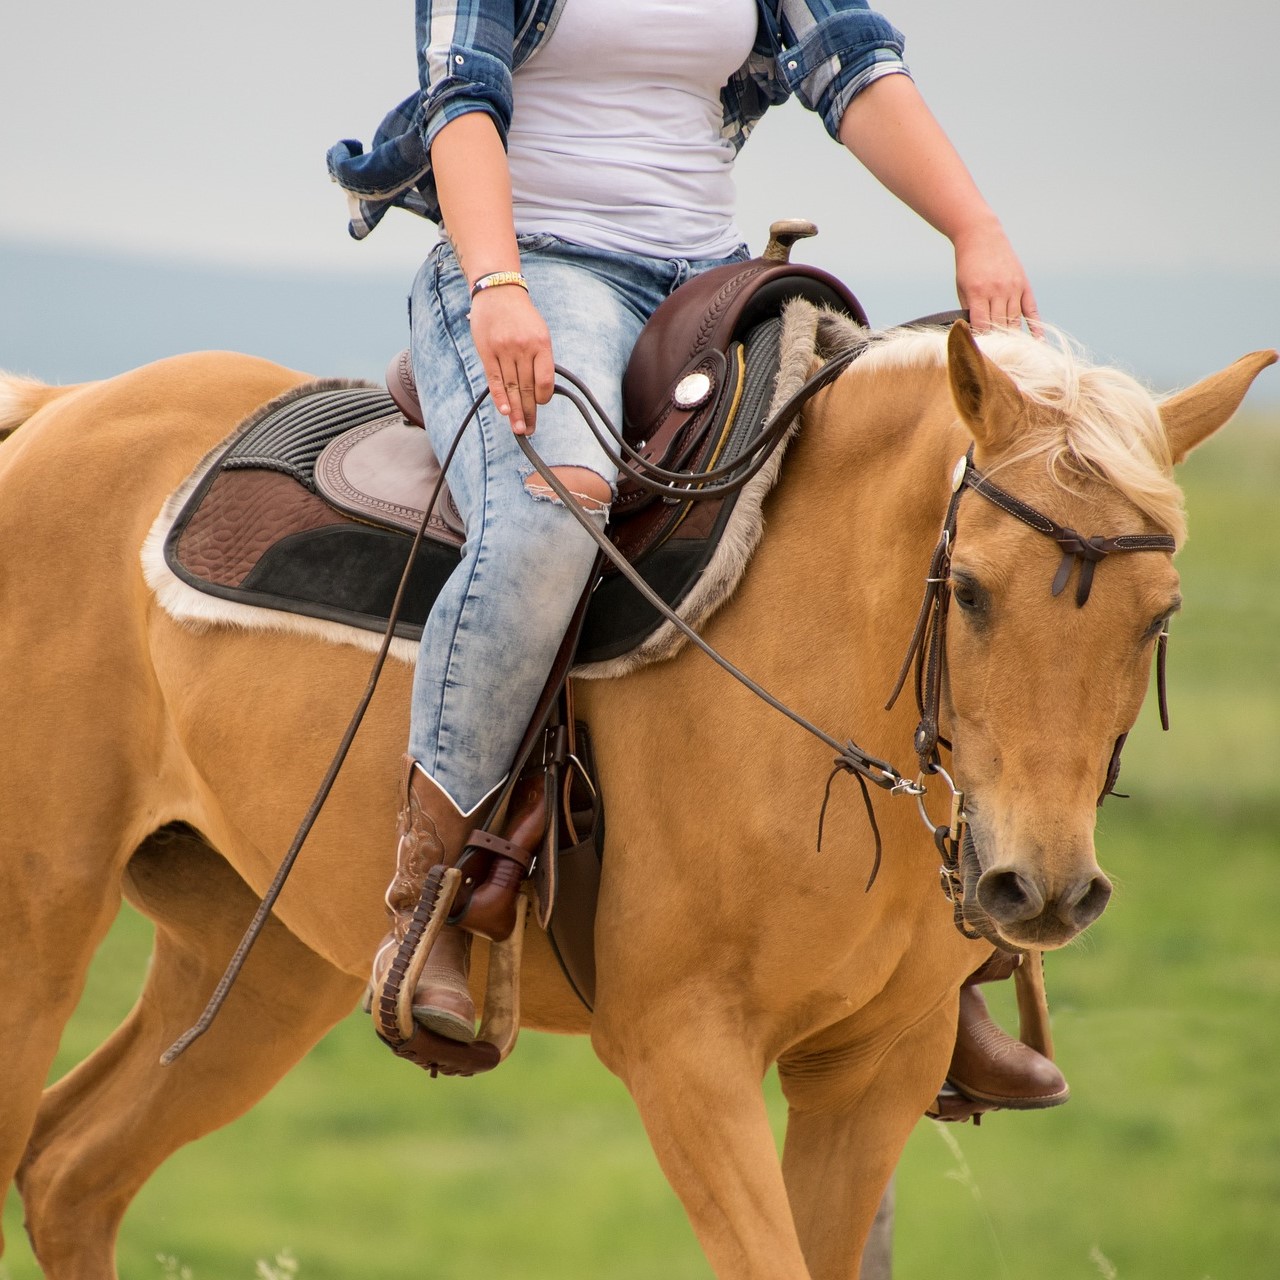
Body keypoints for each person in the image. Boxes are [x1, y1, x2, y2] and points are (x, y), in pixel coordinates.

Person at [328, 0, 1064, 1109]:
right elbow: (459, 95)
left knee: (895, 499)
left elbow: (850, 67)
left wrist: (975, 228)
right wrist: (494, 284)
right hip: (531, 270)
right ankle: (429, 901)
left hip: (711, 278)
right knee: (552, 504)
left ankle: (937, 951)